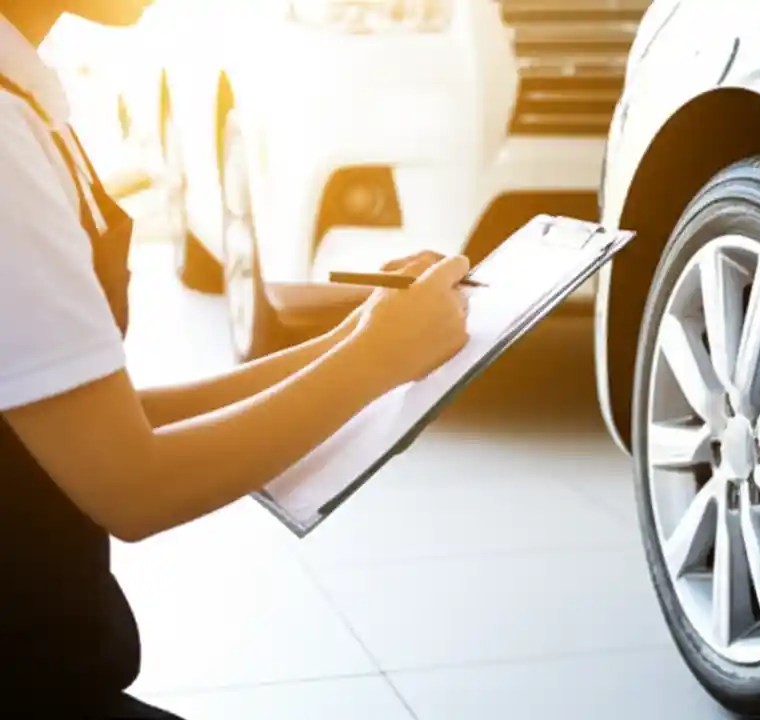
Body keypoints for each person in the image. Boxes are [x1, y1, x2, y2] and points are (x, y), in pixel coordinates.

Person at [0, 2, 470, 717]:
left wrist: (364, 341)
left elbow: (86, 420)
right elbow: (131, 485)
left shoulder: (25, 96)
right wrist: (374, 360)